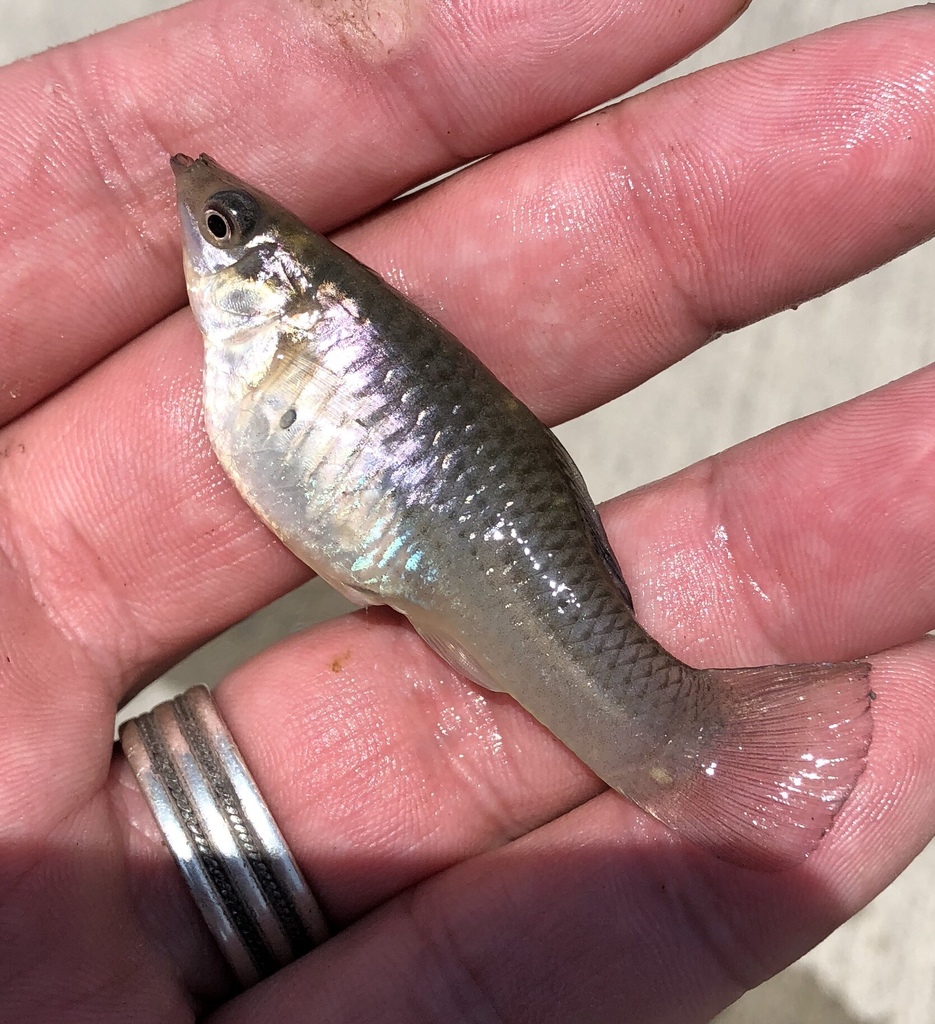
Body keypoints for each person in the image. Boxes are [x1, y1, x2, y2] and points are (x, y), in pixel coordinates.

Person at [2, 1, 934, 1020]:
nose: (198, 225)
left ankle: (682, 741)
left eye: (220, 229)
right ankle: (672, 742)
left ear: (270, 277)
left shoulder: (293, 319)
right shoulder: (265, 334)